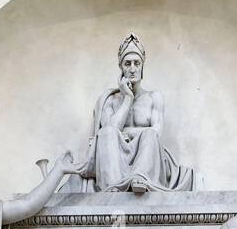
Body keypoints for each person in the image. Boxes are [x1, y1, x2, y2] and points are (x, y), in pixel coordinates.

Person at [75, 33, 194, 192]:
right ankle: (113, 186)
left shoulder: (154, 97)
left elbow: (156, 133)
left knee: (150, 135)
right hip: (114, 164)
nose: (132, 69)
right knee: (107, 133)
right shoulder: (109, 100)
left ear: (142, 66)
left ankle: (140, 178)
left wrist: (126, 133)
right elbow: (109, 132)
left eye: (136, 63)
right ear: (121, 68)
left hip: (147, 160)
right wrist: (128, 99)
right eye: (127, 63)